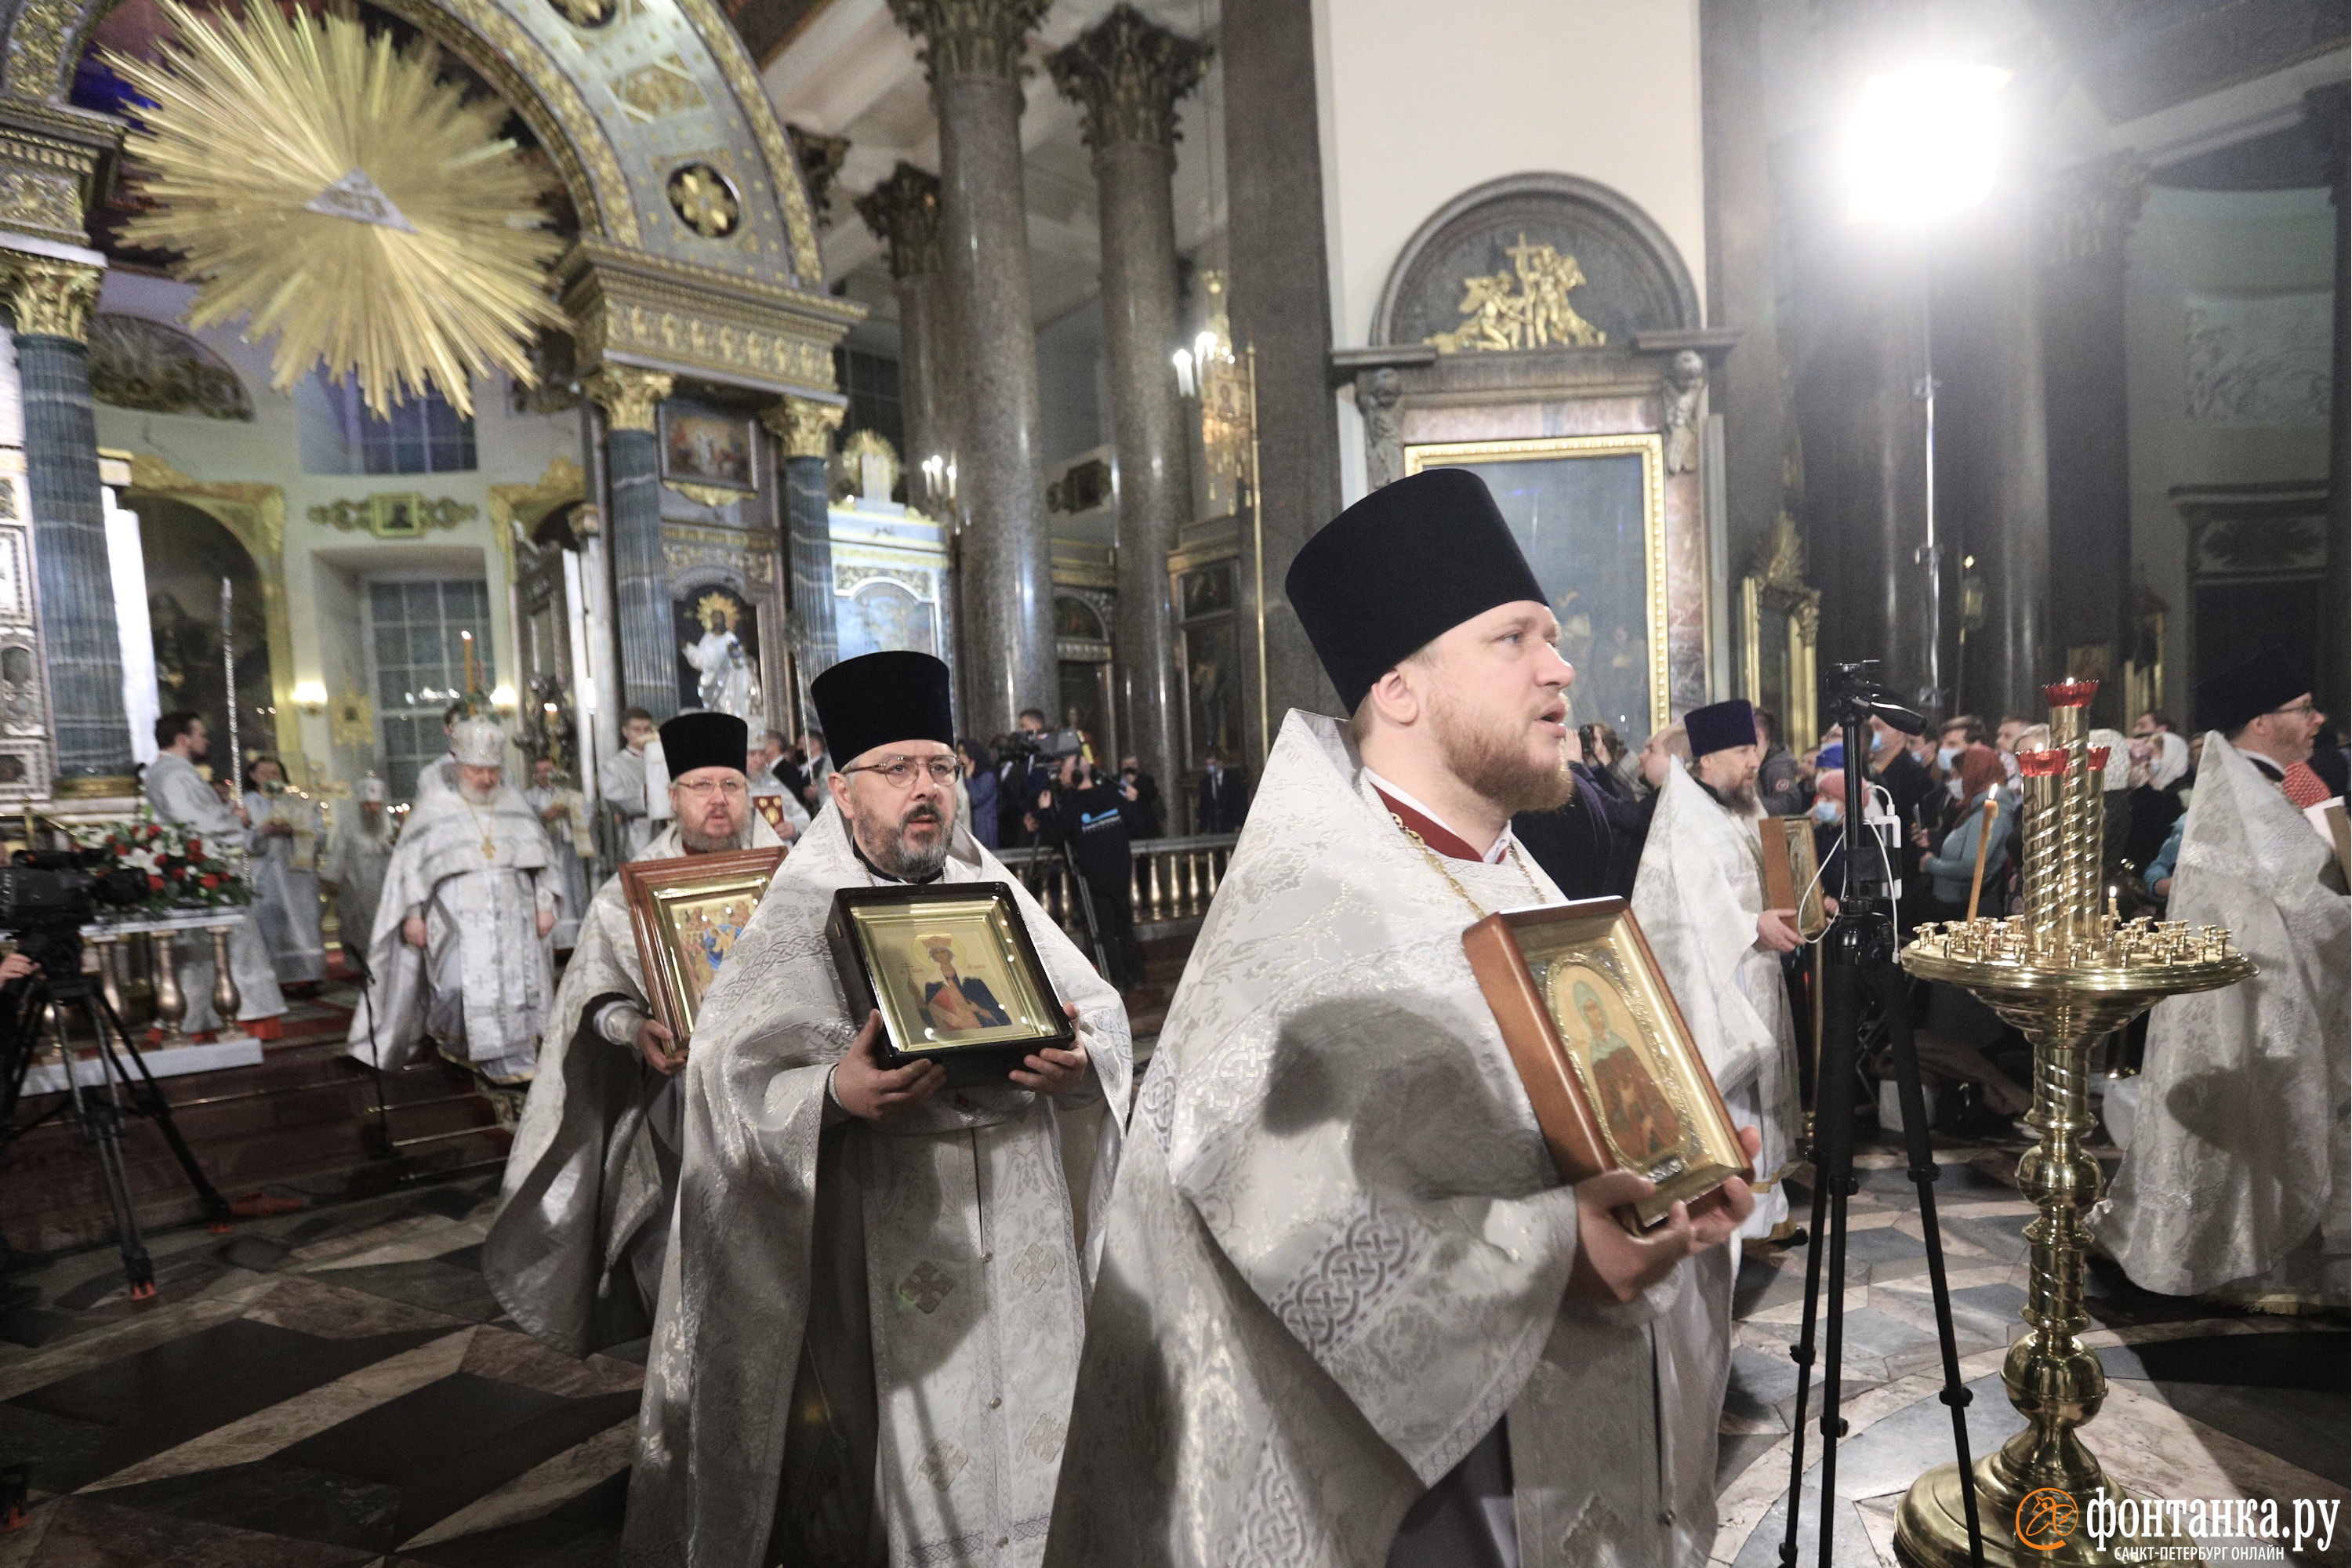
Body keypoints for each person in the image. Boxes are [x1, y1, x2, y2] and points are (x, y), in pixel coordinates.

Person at [1046, 469, 1755, 1568]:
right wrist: (1550, 1252)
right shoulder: (1303, 912)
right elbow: (1279, 1205)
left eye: (1553, 638)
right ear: (1403, 691)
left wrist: (1683, 1169)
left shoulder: (1522, 881)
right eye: (1516, 638)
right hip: (1417, 1498)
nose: (1562, 667)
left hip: (1569, 1448)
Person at [622, 650, 1132, 1568]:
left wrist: (1081, 1060)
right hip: (892, 1239)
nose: (925, 789)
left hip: (1021, 1232)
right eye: (896, 769)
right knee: (908, 1475)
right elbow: (729, 1077)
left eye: (940, 766)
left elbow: (1096, 1009)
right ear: (842, 790)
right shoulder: (798, 909)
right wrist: (833, 1093)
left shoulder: (993, 887)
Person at [485, 712, 787, 1356]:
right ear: (673, 796)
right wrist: (634, 1027)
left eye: (731, 784)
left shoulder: (793, 876)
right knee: (687, 1246)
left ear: (749, 790)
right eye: (700, 786)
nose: (717, 800)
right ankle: (689, 1371)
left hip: (789, 1089)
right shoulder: (631, 889)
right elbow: (591, 994)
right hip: (679, 1099)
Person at [2091, 644, 2347, 1306]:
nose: (2318, 719)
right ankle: (2233, 1257)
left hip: (2273, 994)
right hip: (2258, 1000)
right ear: (2262, 722)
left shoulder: (2288, 781)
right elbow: (2307, 903)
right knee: (2250, 1129)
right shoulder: (2248, 795)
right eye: (2304, 709)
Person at [1632, 697, 1799, 1243]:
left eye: (1755, 748)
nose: (1754, 760)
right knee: (1731, 1101)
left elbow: (1767, 874)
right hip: (1712, 986)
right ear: (1706, 759)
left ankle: (1764, 1216)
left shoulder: (1742, 805)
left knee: (1762, 1096)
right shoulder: (1684, 817)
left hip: (1755, 971)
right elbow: (1692, 906)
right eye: (1742, 750)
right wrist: (1752, 927)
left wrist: (1807, 898)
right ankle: (1728, 1226)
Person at [347, 718, 563, 1088]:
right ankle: (460, 1047)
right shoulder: (435, 806)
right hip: (455, 918)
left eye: (493, 771)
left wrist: (545, 905)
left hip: (514, 918)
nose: (486, 779)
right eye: (478, 770)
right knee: (458, 985)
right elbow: (409, 869)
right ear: (459, 767)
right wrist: (413, 915)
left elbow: (543, 864)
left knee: (516, 988)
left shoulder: (514, 804)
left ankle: (513, 1056)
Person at [143, 712, 287, 1040]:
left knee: (215, 951)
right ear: (183, 739)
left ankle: (213, 1016)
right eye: (201, 734)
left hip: (202, 872)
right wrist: (235, 817)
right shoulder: (172, 773)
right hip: (202, 876)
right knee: (232, 947)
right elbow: (194, 822)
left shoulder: (175, 772)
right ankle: (241, 1018)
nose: (206, 740)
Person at [1040, 754, 1145, 991]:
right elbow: (1137, 825)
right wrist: (1132, 803)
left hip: (1095, 879)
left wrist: (1046, 811)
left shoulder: (1071, 806)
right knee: (1125, 927)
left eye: (1065, 772)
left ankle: (1117, 980)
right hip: (1120, 873)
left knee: (1105, 931)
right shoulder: (1112, 796)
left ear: (1076, 775)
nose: (1062, 776)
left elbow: (1054, 837)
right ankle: (1136, 976)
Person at [241, 757, 327, 989]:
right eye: (265, 772)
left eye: (275, 772)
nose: (271, 776)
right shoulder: (246, 805)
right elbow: (240, 840)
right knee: (270, 925)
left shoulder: (300, 802)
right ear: (253, 776)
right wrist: (263, 832)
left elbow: (320, 835)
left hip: (298, 877)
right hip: (265, 876)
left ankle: (309, 976)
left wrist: (295, 829)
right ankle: (274, 980)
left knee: (304, 924)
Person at [1914, 743, 2014, 922]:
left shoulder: (1992, 811)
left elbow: (1972, 867)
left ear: (1973, 775)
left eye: (1956, 776)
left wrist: (1930, 863)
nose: (1951, 783)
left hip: (1965, 910)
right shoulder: (1976, 807)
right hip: (1954, 905)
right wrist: (1935, 840)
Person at [322, 777, 397, 968]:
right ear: (360, 805)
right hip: (355, 885)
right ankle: (357, 965)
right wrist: (333, 880)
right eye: (368, 805)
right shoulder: (348, 825)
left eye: (376, 805)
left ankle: (383, 963)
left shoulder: (388, 824)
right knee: (356, 926)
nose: (372, 809)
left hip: (382, 885)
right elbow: (338, 852)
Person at [522, 755, 595, 948]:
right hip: (544, 855)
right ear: (535, 774)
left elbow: (587, 820)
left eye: (549, 770)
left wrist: (569, 813)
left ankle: (575, 940)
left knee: (573, 892)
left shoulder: (572, 795)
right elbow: (525, 824)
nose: (545, 775)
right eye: (541, 771)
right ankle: (554, 941)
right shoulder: (528, 798)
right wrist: (543, 816)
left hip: (568, 853)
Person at [599, 708, 659, 858]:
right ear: (625, 732)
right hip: (636, 836)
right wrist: (644, 792)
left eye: (647, 729)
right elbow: (613, 798)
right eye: (636, 729)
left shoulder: (661, 759)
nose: (643, 734)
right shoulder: (613, 765)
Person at [743, 733, 808, 844]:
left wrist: (793, 828)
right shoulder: (729, 785)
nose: (759, 761)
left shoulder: (772, 782)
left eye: (762, 754)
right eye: (752, 754)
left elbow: (801, 816)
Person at [415, 699, 471, 799]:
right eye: (457, 726)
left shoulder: (494, 772)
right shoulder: (431, 774)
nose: (465, 733)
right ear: (447, 729)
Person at [1755, 706, 1806, 816]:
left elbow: (1788, 803)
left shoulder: (1777, 767)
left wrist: (1747, 806)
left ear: (1758, 735)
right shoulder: (1764, 762)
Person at [1196, 742, 1249, 833]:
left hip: (1231, 824)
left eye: (1212, 764)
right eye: (1208, 764)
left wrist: (1239, 823)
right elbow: (1203, 806)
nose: (1210, 767)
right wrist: (1202, 827)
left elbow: (1240, 803)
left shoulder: (1233, 779)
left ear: (1220, 762)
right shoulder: (1205, 782)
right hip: (1214, 827)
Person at [959, 737, 999, 848]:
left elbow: (975, 798)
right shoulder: (962, 776)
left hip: (984, 831)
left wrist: (969, 778)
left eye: (963, 753)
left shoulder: (987, 776)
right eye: (959, 753)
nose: (960, 757)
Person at [1115, 753, 1163, 839]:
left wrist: (1135, 782)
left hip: (1143, 824)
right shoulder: (1114, 781)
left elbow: (1151, 794)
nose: (1130, 767)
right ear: (1122, 766)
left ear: (1138, 766)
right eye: (1126, 764)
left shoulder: (1147, 780)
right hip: (1121, 825)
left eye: (1133, 764)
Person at [796, 725, 833, 808]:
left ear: (815, 745)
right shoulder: (800, 768)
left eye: (801, 744)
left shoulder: (825, 765)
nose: (798, 748)